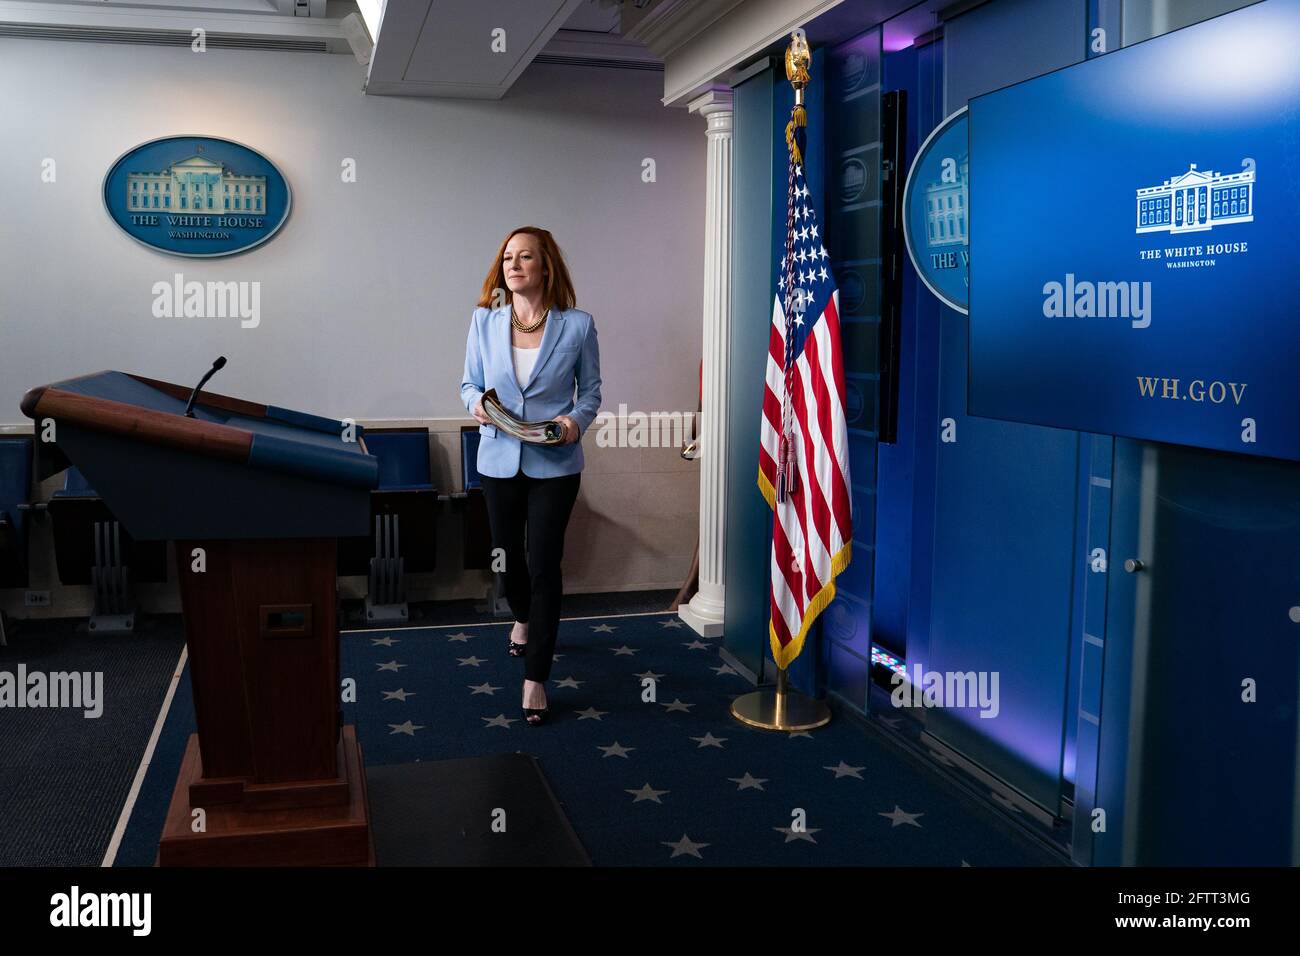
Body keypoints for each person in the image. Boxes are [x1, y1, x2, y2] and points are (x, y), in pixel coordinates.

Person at [460, 226, 601, 726]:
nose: (513, 266)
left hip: (554, 464)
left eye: (525, 258)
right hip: (498, 457)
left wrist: (572, 422)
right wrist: (477, 405)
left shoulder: (578, 326)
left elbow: (592, 394)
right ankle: (522, 617)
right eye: (507, 258)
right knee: (505, 564)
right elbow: (468, 383)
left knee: (544, 564)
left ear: (545, 267)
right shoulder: (484, 322)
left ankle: (536, 677)